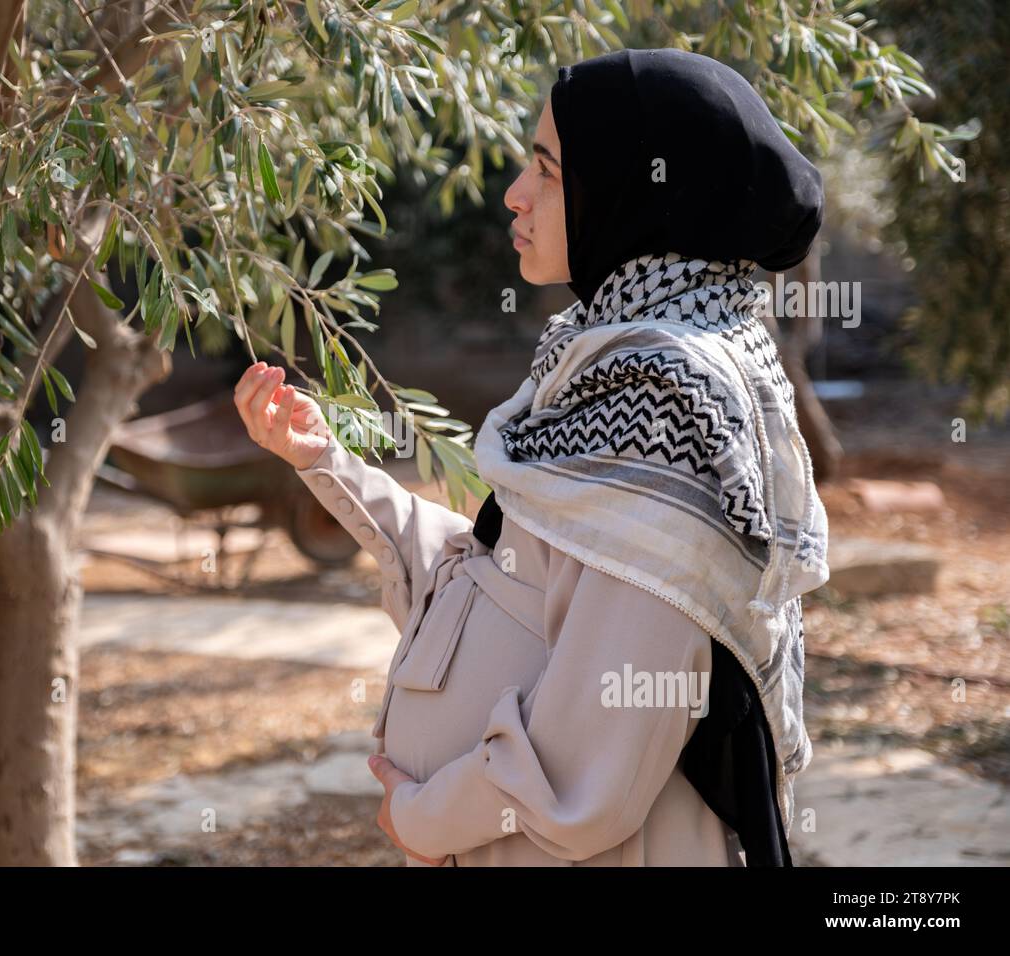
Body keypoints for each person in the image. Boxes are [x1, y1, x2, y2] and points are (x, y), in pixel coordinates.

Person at [233, 48, 829, 866]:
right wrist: (325, 462)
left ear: (633, 194)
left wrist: (421, 816)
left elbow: (592, 768)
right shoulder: (602, 359)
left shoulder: (668, 398)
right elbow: (501, 580)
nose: (514, 192)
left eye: (547, 170)